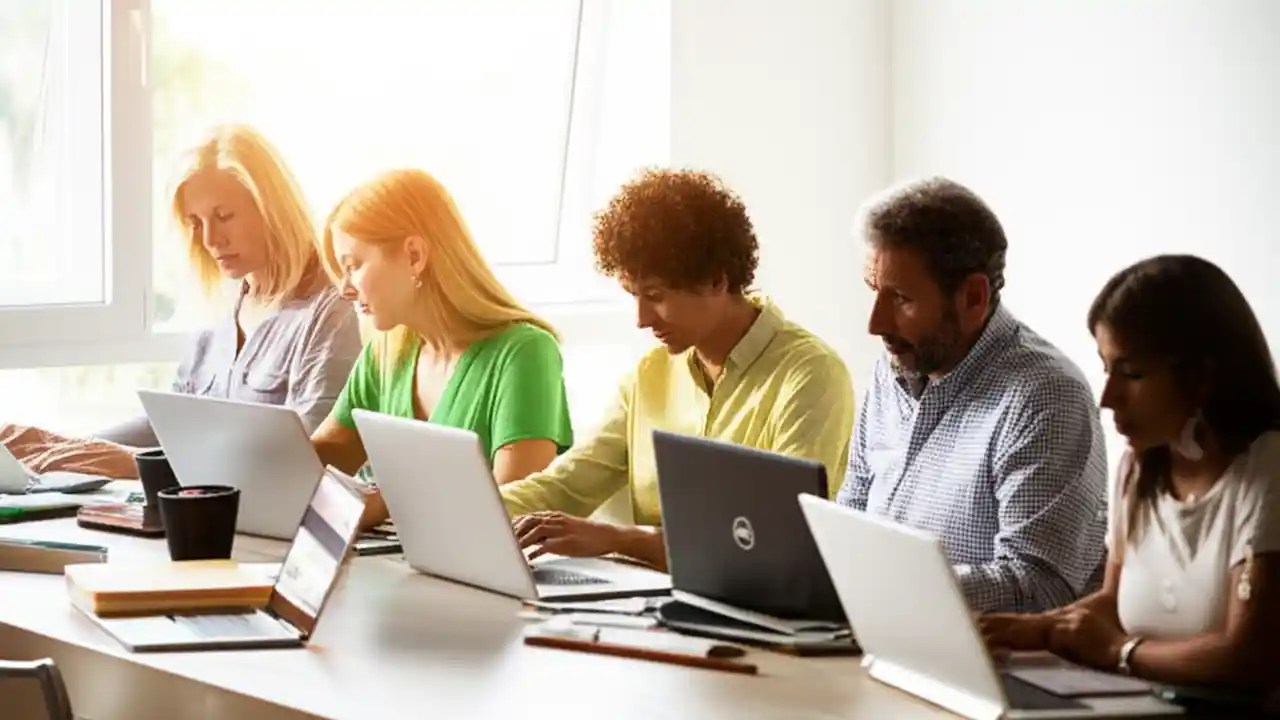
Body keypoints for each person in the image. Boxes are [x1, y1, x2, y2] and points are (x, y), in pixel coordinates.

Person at [504, 168, 855, 570]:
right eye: (633, 295)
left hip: (753, 612)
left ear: (716, 281)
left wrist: (618, 539)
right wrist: (450, 514)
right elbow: (564, 485)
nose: (640, 318)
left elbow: (775, 539)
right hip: (649, 605)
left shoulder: (810, 375)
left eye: (655, 296)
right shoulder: (649, 376)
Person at [980, 255, 1280, 697]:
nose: (1107, 398)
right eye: (1106, 369)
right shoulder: (1138, 469)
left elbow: (1249, 656)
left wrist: (1120, 652)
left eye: (1131, 374)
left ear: (1202, 376)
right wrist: (1038, 629)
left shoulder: (1267, 468)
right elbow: (1114, 604)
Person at [0, 125, 360, 478]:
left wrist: (130, 463)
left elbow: (305, 461)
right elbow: (170, 427)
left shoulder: (331, 309)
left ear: (273, 208)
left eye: (224, 217)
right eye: (195, 222)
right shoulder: (221, 303)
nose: (211, 239)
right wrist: (63, 447)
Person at [837, 176, 1107, 613]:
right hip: (879, 642)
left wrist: (896, 589)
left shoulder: (1045, 398)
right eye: (874, 291)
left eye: (901, 298)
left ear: (973, 298)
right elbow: (851, 519)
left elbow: (1040, 588)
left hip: (994, 667)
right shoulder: (893, 368)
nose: (875, 323)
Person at [310, 169, 573, 527]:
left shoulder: (525, 353)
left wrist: (390, 498)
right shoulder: (385, 352)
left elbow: (512, 512)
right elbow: (321, 458)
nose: (345, 289)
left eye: (353, 266)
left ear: (415, 255)